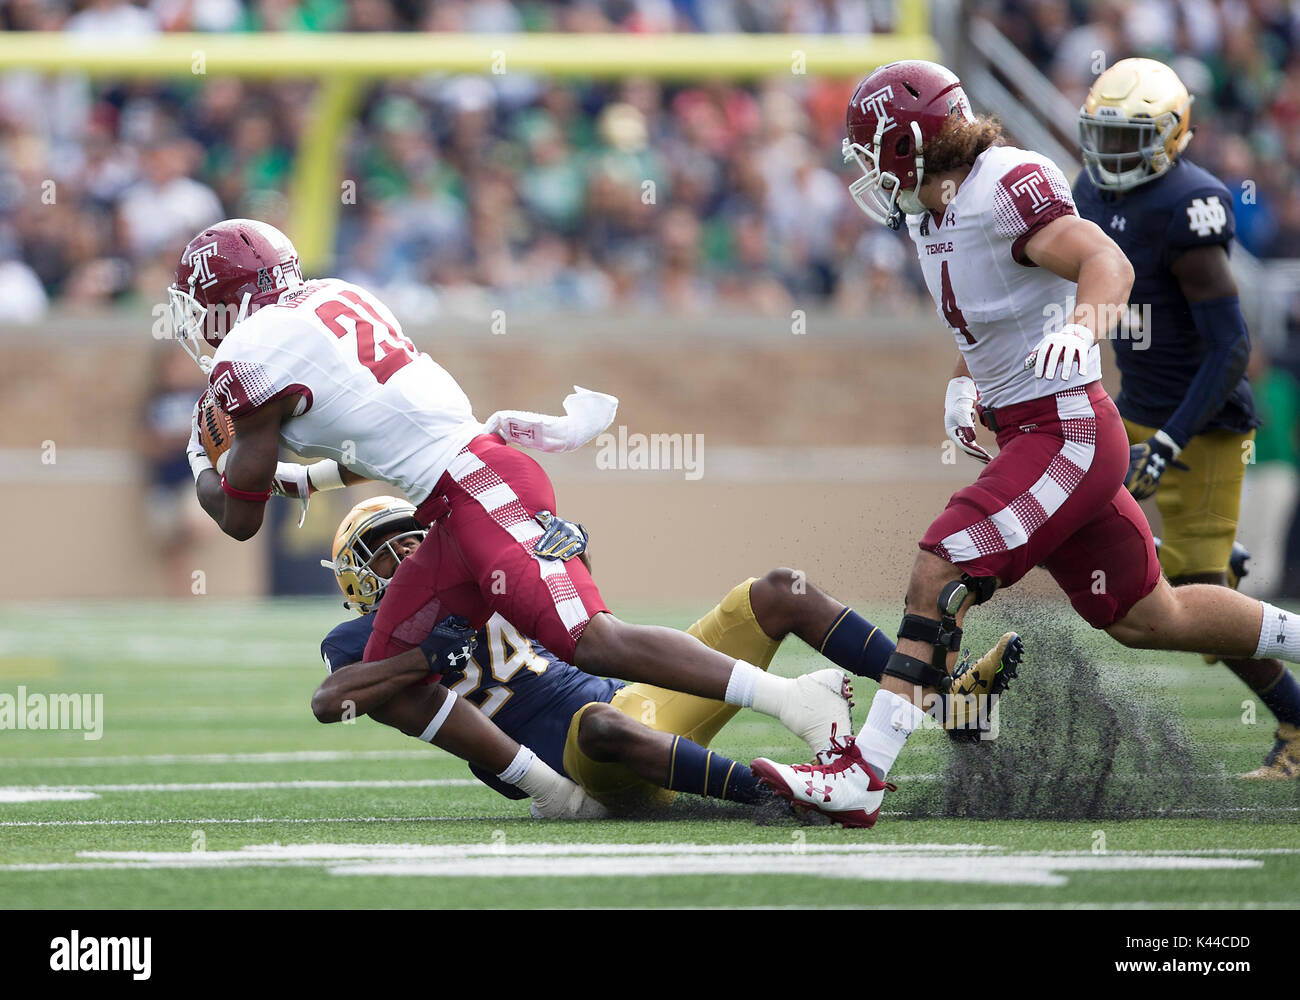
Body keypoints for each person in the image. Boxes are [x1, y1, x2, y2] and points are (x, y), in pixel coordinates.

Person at [751, 60, 1300, 826]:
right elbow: (991, 315)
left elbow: (1105, 261)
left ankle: (862, 775)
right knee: (1147, 616)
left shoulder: (1004, 182)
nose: (868, 167)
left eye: (874, 148)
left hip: (1064, 429)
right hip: (1032, 427)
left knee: (940, 566)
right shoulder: (931, 208)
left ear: (915, 139)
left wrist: (1083, 329)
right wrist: (964, 380)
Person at [171, 218, 849, 762]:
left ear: (228, 296)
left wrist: (202, 461)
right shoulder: (337, 295)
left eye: (200, 306)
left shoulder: (248, 350)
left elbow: (237, 520)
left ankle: (794, 700)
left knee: (592, 640)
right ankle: (558, 794)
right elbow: (381, 438)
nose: (196, 324)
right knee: (381, 674)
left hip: (472, 485)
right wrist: (305, 477)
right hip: (451, 495)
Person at [310, 496, 1020, 813]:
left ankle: (946, 697)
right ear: (358, 578)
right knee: (601, 725)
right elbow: (330, 702)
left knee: (774, 592)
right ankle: (782, 799)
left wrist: (555, 553)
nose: (408, 556)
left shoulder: (471, 571)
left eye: (413, 539)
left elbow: (579, 620)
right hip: (583, 759)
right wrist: (420, 656)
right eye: (387, 551)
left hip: (629, 698)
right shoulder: (359, 643)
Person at [1073, 57, 1300, 780]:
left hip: (1203, 428)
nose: (1109, 154)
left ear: (1171, 137)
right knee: (1060, 531)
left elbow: (1231, 346)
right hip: (1131, 410)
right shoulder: (1084, 191)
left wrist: (1170, 441)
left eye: (1126, 137)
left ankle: (1296, 717)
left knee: (1191, 613)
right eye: (1101, 135)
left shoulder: (1191, 204)